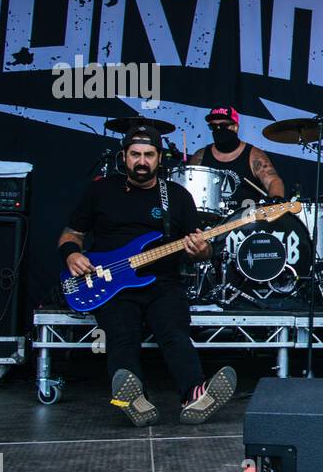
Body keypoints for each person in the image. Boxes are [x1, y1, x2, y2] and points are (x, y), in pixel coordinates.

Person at [58, 125, 238, 426]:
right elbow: (71, 234)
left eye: (149, 155)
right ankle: (133, 398)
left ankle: (195, 394)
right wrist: (72, 255)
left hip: (163, 283)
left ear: (159, 159)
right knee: (121, 333)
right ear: (124, 157)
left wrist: (200, 250)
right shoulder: (99, 190)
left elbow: (203, 250)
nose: (142, 161)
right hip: (110, 283)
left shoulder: (177, 197)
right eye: (135, 154)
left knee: (175, 332)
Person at [190, 106, 284, 202]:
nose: (218, 129)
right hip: (207, 215)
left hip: (247, 215)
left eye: (223, 126)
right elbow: (187, 186)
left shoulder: (254, 155)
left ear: (235, 127)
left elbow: (273, 181)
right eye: (213, 126)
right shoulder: (200, 156)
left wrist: (276, 200)